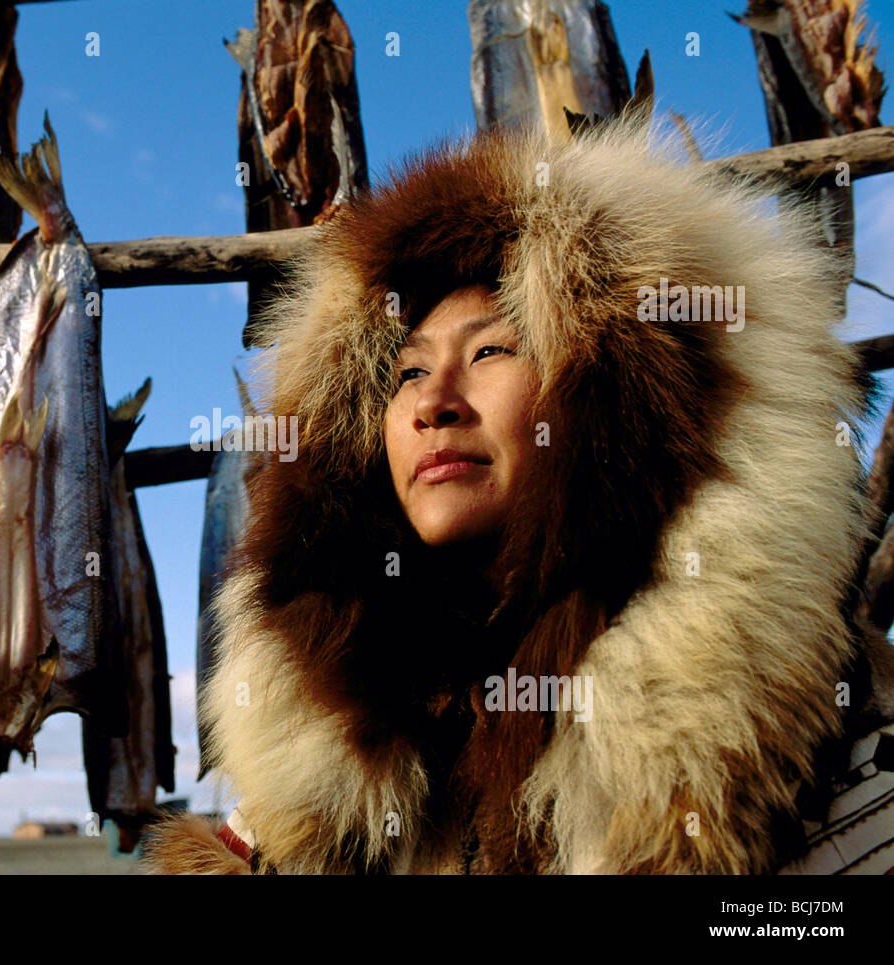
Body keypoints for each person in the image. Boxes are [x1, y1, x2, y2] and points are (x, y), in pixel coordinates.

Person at [143, 118, 894, 874]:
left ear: (610, 395)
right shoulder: (336, 757)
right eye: (406, 372)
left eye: (491, 350)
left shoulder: (807, 740)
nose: (433, 401)